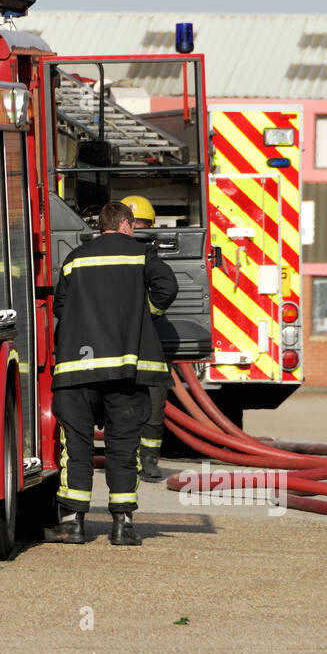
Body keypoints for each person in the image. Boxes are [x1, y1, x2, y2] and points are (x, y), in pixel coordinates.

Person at [48, 200, 179, 545]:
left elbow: (61, 304)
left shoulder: (76, 258)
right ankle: (123, 526)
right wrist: (142, 313)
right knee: (123, 447)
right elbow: (168, 288)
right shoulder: (140, 256)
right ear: (126, 225)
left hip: (77, 371)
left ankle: (73, 523)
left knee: (76, 447)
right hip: (125, 373)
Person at [122, 194, 174, 482]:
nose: (136, 231)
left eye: (141, 225)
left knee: (154, 403)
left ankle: (150, 460)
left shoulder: (149, 257)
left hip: (145, 344)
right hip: (117, 341)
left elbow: (167, 288)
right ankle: (126, 458)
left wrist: (147, 313)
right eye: (132, 224)